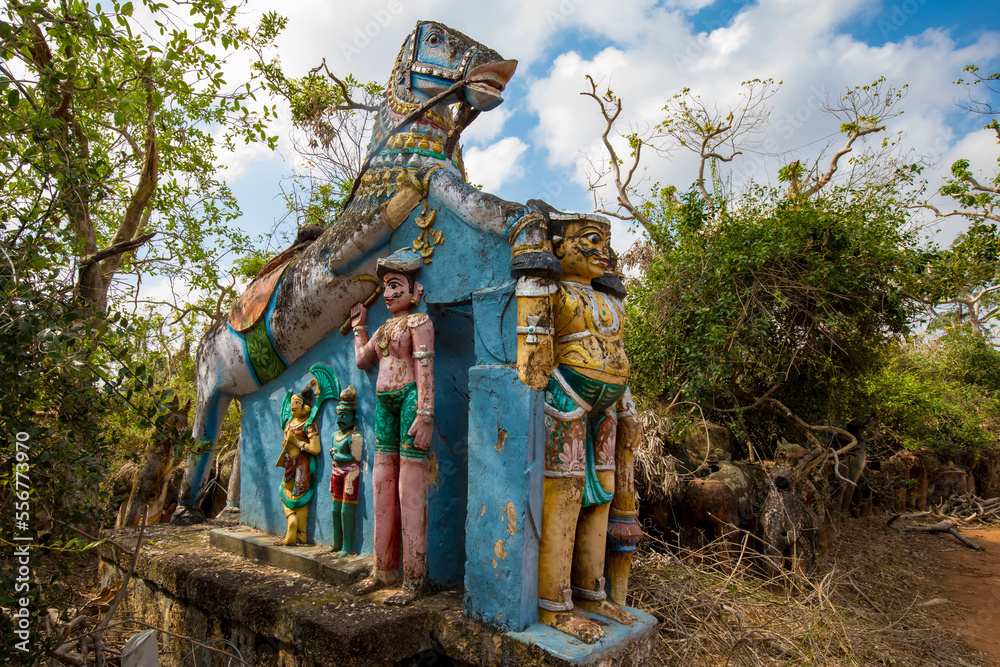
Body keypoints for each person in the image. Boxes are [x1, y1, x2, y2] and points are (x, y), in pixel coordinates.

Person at [515, 212, 639, 643]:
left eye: (605, 240)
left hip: (606, 406)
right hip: (566, 397)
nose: (601, 250)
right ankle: (554, 604)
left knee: (602, 492)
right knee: (564, 494)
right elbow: (531, 353)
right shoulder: (554, 289)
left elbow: (619, 351)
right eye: (589, 239)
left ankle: (592, 591)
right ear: (559, 244)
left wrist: (628, 407)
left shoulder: (608, 299)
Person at [349, 249, 435, 606]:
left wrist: (426, 413)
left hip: (410, 402)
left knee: (409, 488)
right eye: (386, 286)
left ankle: (413, 581)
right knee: (381, 482)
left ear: (415, 292)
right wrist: (359, 326)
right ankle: (383, 569)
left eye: (396, 286)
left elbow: (425, 370)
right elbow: (362, 359)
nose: (388, 293)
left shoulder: (420, 323)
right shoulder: (385, 327)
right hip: (384, 405)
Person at [275, 384, 321, 546]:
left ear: (306, 407)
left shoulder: (309, 425)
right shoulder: (290, 422)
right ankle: (292, 520)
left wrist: (297, 441)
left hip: (303, 463)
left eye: (296, 403)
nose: (293, 407)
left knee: (299, 496)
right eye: (292, 403)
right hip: (290, 463)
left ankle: (299, 532)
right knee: (285, 492)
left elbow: (315, 449)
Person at [330, 385, 363, 556]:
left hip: (351, 473)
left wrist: (338, 457)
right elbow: (336, 456)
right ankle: (337, 543)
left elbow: (355, 457)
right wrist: (334, 456)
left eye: (343, 415)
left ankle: (347, 546)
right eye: (338, 415)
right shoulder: (334, 436)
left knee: (346, 510)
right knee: (335, 509)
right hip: (337, 473)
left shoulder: (354, 437)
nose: (339, 419)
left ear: (353, 418)